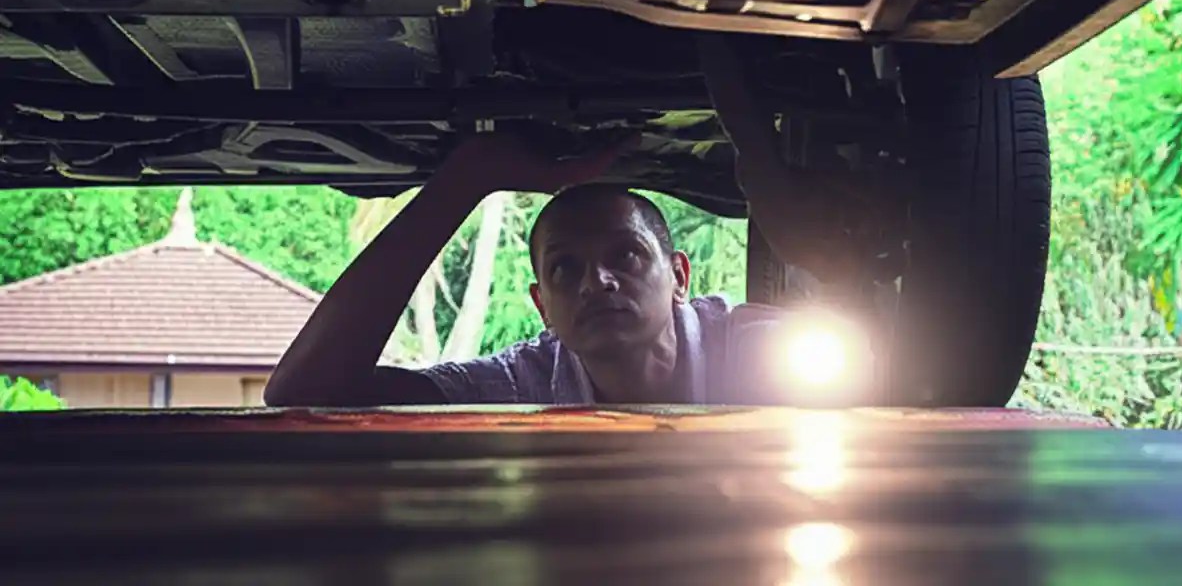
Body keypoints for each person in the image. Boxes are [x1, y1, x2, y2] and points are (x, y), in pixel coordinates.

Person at [264, 36, 867, 407]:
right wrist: (464, 180)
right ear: (541, 306)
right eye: (565, 268)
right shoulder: (521, 385)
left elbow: (908, 388)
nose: (596, 282)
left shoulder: (764, 352)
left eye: (626, 256)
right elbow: (304, 392)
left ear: (679, 274)